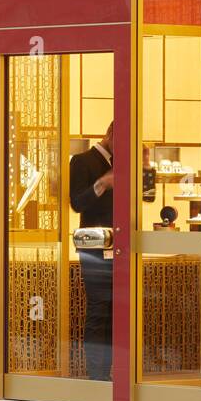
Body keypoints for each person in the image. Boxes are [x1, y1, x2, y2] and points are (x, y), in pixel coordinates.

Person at [69, 121, 114, 381]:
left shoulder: (125, 162)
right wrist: (102, 184)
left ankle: (110, 373)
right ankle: (97, 374)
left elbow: (147, 198)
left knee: (117, 309)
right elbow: (77, 203)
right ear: (109, 134)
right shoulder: (83, 161)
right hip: (94, 246)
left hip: (120, 246)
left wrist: (145, 169)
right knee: (99, 308)